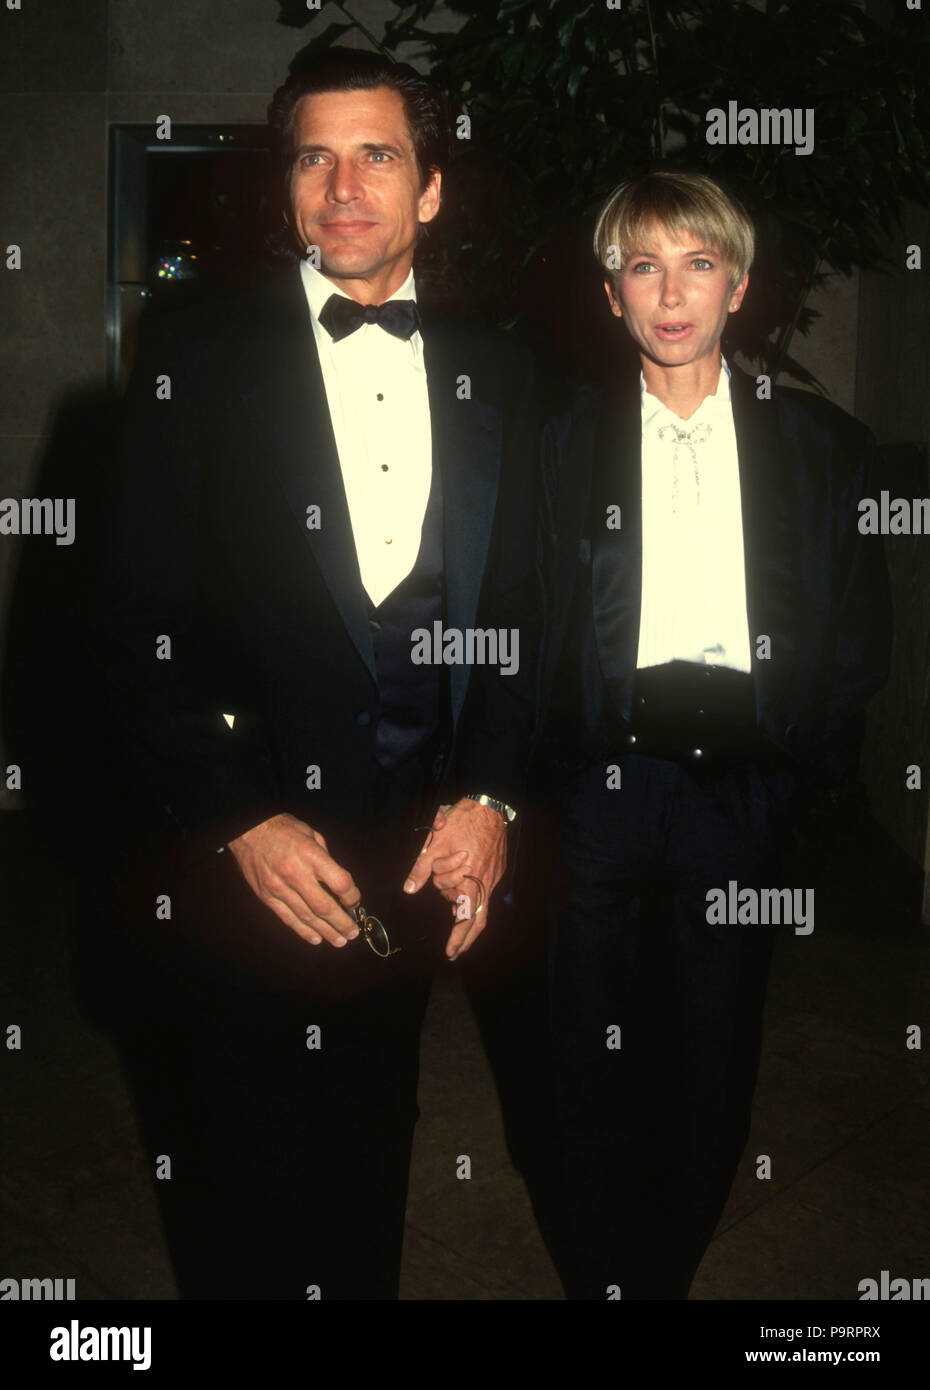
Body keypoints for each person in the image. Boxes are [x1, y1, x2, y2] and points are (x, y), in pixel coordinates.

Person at [93, 47, 538, 1300]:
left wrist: (491, 797)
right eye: (314, 157)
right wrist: (235, 811)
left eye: (378, 154)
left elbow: (527, 616)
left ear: (431, 189)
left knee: (367, 1158)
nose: (344, 185)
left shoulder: (503, 374)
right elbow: (130, 621)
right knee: (239, 1181)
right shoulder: (191, 361)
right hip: (239, 860)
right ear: (286, 189)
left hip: (408, 861)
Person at [537, 170, 891, 1300]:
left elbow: (852, 637)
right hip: (600, 787)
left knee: (711, 1058)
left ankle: (665, 1275)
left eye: (697, 262)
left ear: (738, 284)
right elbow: (522, 625)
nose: (671, 291)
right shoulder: (559, 441)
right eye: (644, 265)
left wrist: (800, 790)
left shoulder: (823, 445)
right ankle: (599, 1274)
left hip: (741, 790)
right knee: (579, 1060)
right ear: (612, 294)